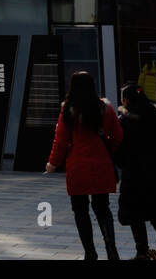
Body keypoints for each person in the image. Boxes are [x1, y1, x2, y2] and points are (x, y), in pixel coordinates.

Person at [45, 70, 124, 260]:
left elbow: (61, 141)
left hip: (77, 165)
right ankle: (111, 250)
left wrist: (53, 163)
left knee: (80, 210)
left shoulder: (68, 109)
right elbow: (118, 135)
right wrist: (107, 151)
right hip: (101, 163)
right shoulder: (105, 108)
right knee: (103, 208)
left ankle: (90, 253)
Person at [116, 82, 156, 256]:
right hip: (155, 173)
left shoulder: (124, 121)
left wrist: (123, 163)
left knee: (135, 213)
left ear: (126, 100)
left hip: (133, 175)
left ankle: (142, 251)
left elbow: (119, 149)